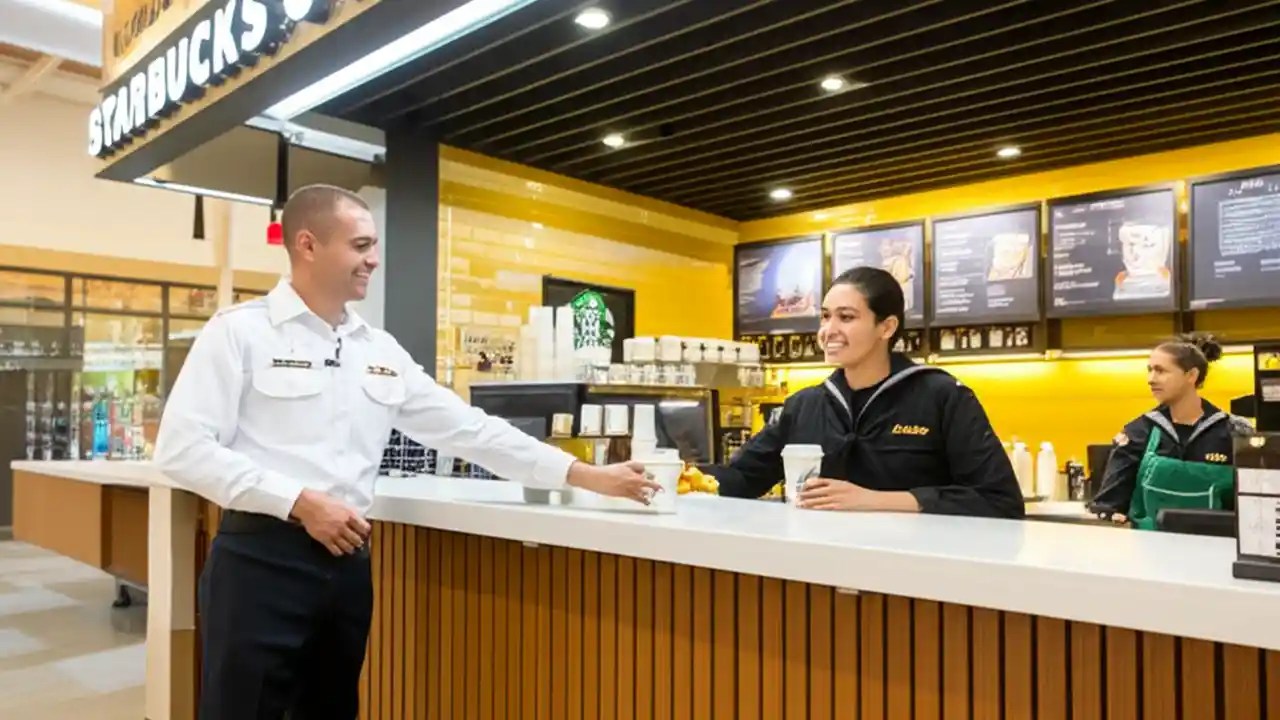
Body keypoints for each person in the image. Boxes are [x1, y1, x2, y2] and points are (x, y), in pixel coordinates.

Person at [153, 184, 661, 720]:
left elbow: (470, 430)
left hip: (345, 568)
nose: (373, 259)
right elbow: (182, 449)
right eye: (360, 245)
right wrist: (299, 501)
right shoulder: (239, 333)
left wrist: (584, 475)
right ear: (307, 245)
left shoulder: (380, 351)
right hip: (259, 563)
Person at [707, 266, 1024, 519]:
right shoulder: (805, 405)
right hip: (821, 576)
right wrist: (673, 476)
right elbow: (741, 478)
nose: (829, 330)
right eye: (825, 316)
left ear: (886, 328)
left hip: (914, 580)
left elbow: (998, 500)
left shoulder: (943, 397)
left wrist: (877, 500)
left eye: (846, 317)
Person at [1089, 333, 1251, 528]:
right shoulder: (1138, 432)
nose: (1151, 379)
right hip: (1149, 551)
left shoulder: (1236, 432)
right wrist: (1111, 517)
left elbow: (1254, 505)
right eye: (1149, 371)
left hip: (1217, 550)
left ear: (1191, 375)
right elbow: (1108, 504)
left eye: (1160, 371)